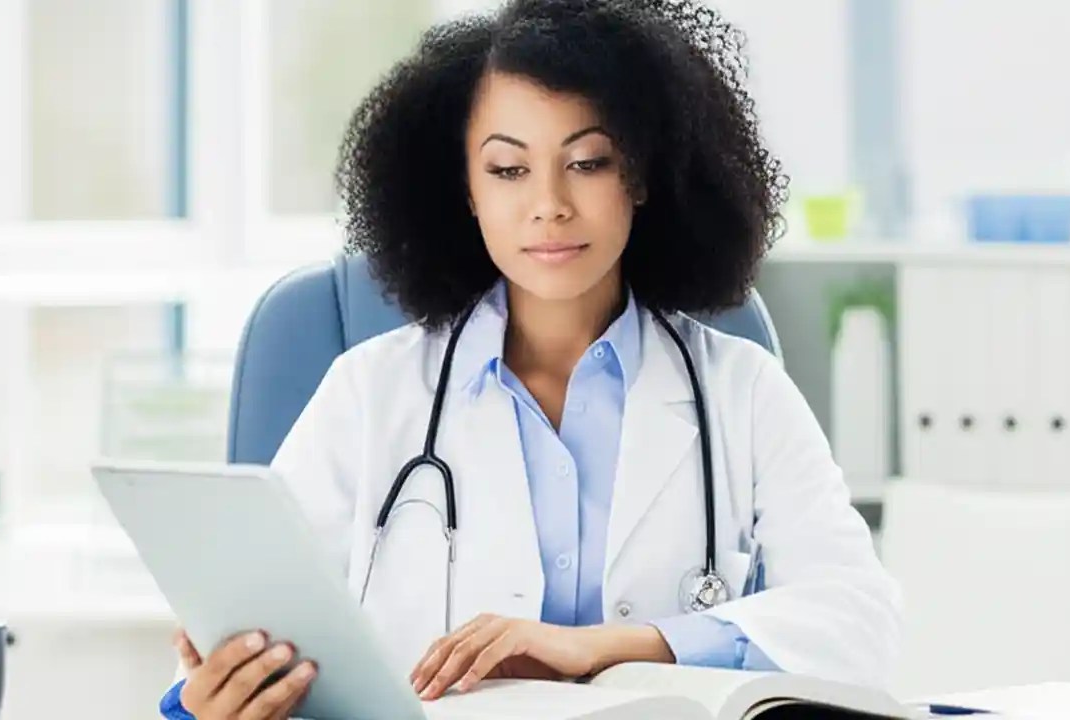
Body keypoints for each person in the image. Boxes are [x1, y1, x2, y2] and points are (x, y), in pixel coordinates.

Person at [160, 0, 901, 717]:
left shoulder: (742, 392)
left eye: (587, 161)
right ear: (466, 191)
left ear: (640, 177)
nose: (548, 203)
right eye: (508, 170)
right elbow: (247, 626)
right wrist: (204, 705)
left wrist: (608, 649)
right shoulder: (370, 393)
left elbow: (861, 621)